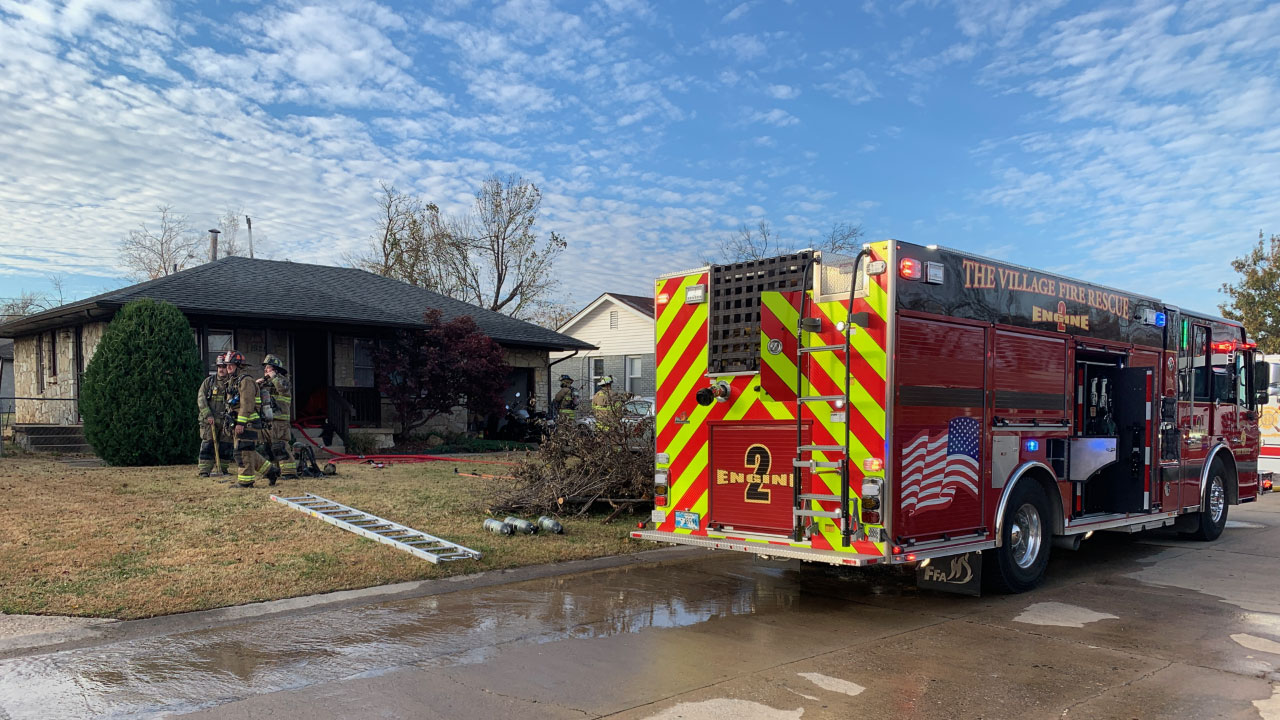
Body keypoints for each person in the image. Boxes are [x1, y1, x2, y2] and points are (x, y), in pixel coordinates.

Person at [224, 350, 274, 488]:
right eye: (227, 365)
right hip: (239, 423)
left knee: (243, 452)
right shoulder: (234, 381)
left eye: (231, 365)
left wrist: (241, 422)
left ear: (239, 366)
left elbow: (247, 404)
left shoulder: (246, 381)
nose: (228, 368)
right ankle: (271, 471)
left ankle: (246, 482)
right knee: (247, 451)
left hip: (248, 423)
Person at [257, 354, 296, 480]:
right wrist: (256, 385)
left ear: (275, 370)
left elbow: (283, 389)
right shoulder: (265, 383)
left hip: (280, 421)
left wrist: (273, 377)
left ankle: (289, 473)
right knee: (267, 448)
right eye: (265, 368)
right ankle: (273, 471)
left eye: (268, 368)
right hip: (267, 421)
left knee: (280, 446)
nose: (265, 371)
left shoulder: (283, 381)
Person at [196, 353, 233, 478]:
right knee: (208, 444)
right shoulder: (209, 382)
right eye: (219, 367)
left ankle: (223, 469)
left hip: (225, 421)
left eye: (224, 366)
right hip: (210, 421)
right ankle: (204, 471)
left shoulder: (232, 383)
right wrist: (208, 415)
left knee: (225, 446)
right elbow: (201, 399)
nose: (221, 369)